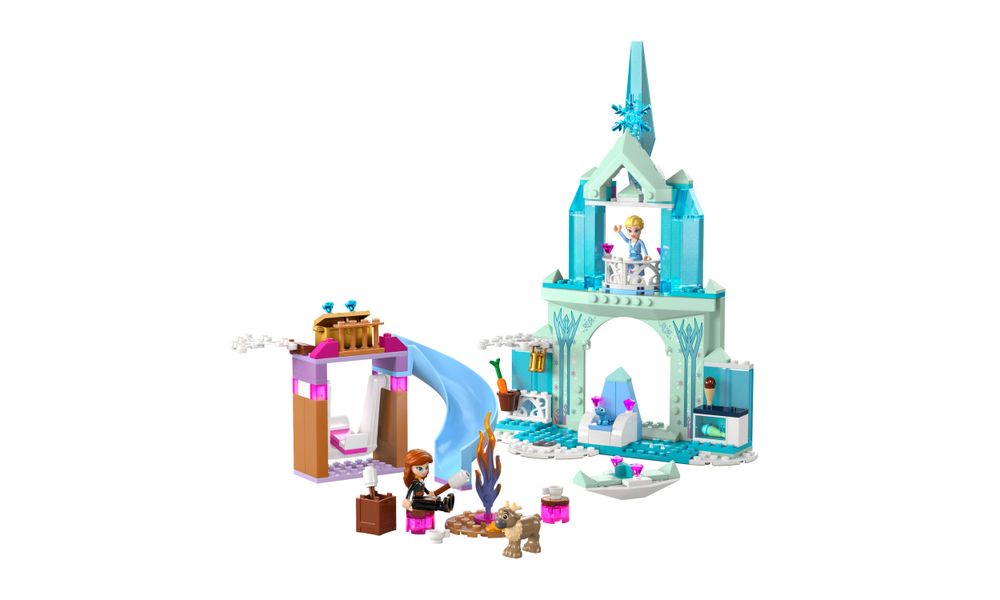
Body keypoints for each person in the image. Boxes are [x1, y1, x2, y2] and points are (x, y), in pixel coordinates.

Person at [401, 449, 455, 513]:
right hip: (416, 501)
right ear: (410, 469)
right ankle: (443, 506)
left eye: (426, 467)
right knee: (431, 503)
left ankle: (445, 503)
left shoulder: (420, 480)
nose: (424, 471)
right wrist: (407, 499)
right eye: (420, 468)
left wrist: (429, 493)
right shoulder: (415, 482)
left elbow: (423, 488)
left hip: (420, 499)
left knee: (436, 498)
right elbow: (409, 490)